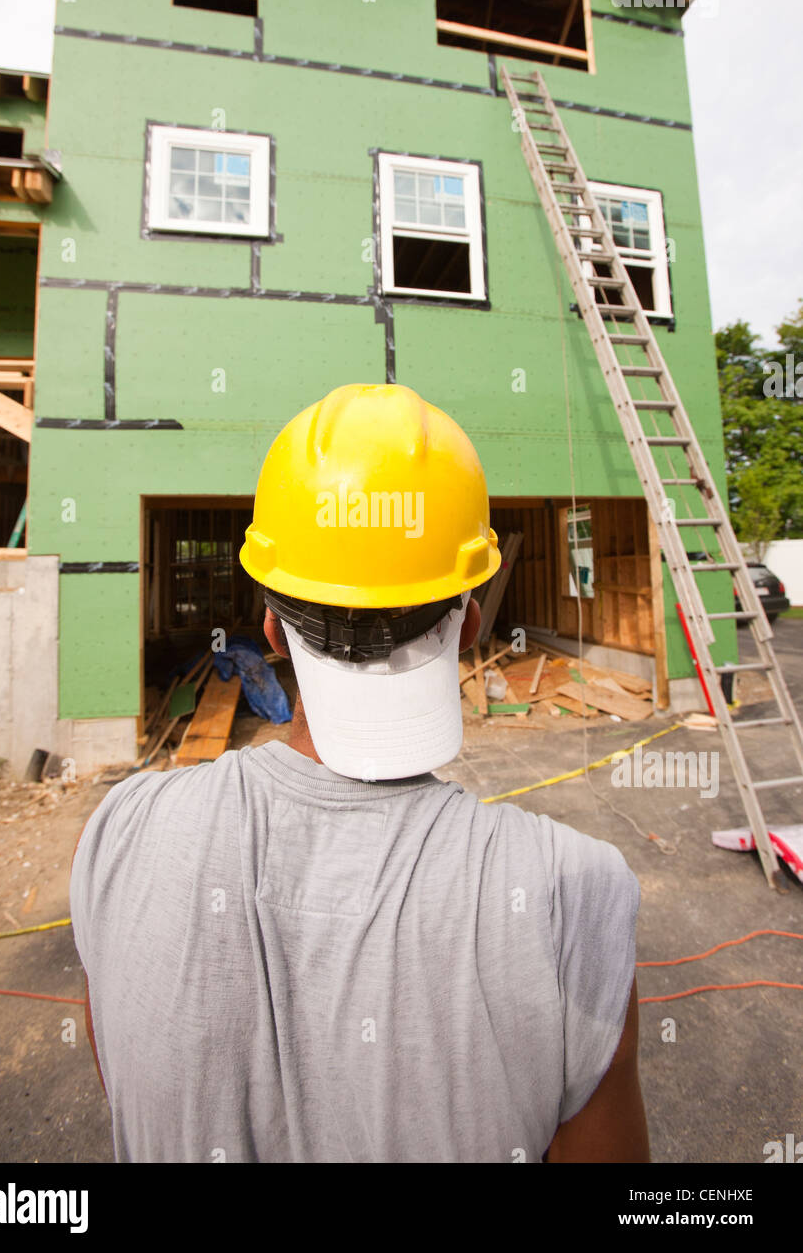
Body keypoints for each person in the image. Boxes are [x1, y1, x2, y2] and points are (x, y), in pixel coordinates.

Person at [71, 382, 648, 1163]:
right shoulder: (573, 895)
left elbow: (126, 1075)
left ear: (271, 626)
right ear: (471, 620)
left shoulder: (119, 834)